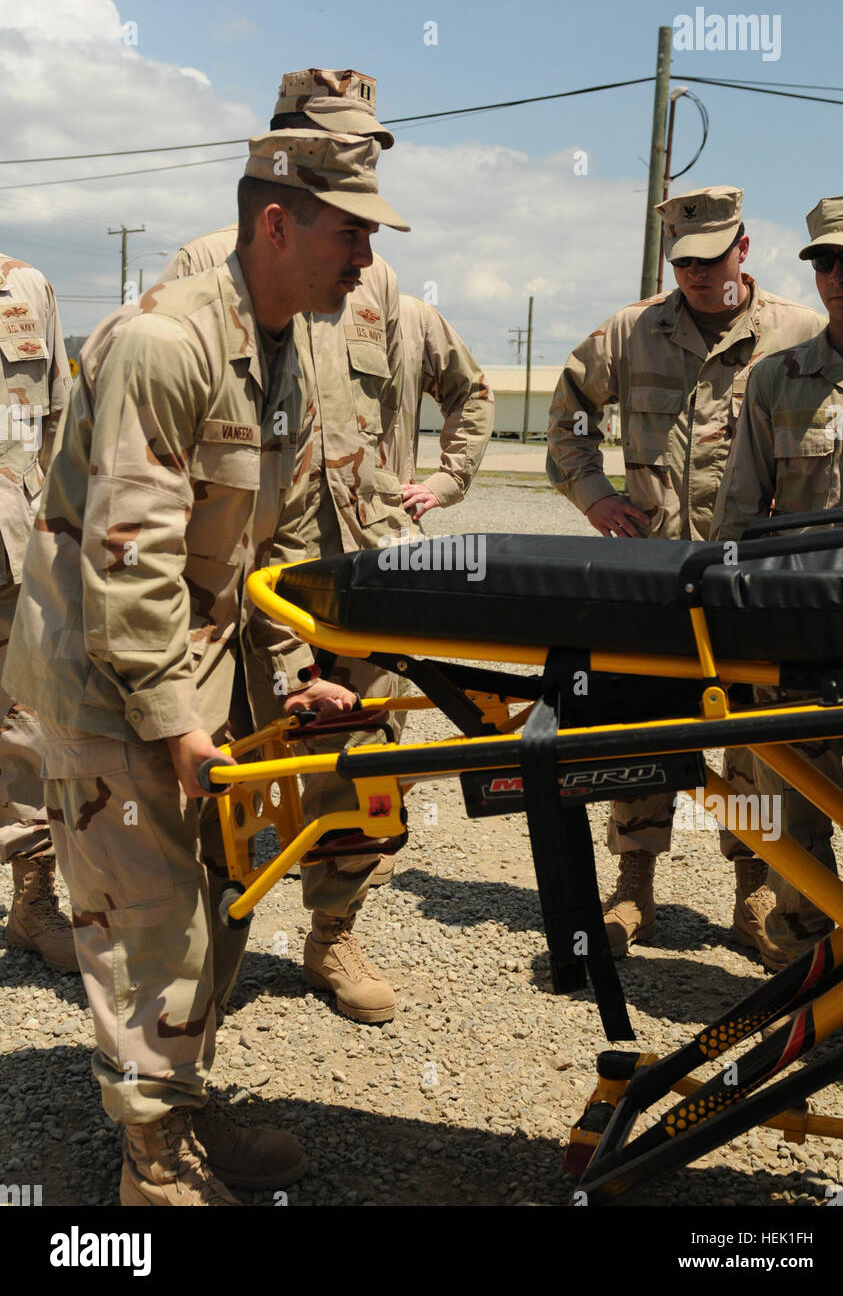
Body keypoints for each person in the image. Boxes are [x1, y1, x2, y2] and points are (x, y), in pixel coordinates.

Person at [3, 127, 409, 1205]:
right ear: (275, 224)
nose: (363, 259)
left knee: (223, 903)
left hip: (204, 676)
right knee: (150, 925)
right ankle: (151, 1168)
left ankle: (176, 1107)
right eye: (348, 232)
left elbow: (269, 547)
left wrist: (294, 673)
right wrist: (177, 725)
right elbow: (128, 562)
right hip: (110, 683)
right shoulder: (161, 344)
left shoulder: (284, 351)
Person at [160, 69, 419, 1025]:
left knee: (358, 763)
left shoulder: (376, 278)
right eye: (342, 143)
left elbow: (443, 397)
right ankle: (187, 998)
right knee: (217, 788)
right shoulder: (202, 270)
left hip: (343, 574)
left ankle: (332, 929)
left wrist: (436, 485)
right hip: (225, 594)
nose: (361, 160)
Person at [547, 186, 825, 957]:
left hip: (753, 581)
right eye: (682, 262)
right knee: (642, 724)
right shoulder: (630, 331)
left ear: (743, 249)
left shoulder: (798, 335)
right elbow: (569, 418)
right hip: (653, 577)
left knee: (754, 740)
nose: (696, 274)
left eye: (710, 258)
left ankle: (755, 891)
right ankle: (633, 889)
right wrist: (596, 495)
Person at [712, 193, 843, 970]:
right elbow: (738, 514)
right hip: (796, 635)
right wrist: (730, 633)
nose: (839, 277)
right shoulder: (774, 380)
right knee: (791, 810)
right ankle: (811, 963)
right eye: (825, 262)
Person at [0, 252, 73, 971]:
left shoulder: (26, 286)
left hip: (12, 549)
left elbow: (56, 421)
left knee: (28, 731)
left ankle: (33, 904)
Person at [391, 293, 494, 522]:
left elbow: (472, 393)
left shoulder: (410, 317)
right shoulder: (295, 312)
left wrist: (448, 480)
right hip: (297, 533)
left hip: (384, 527)